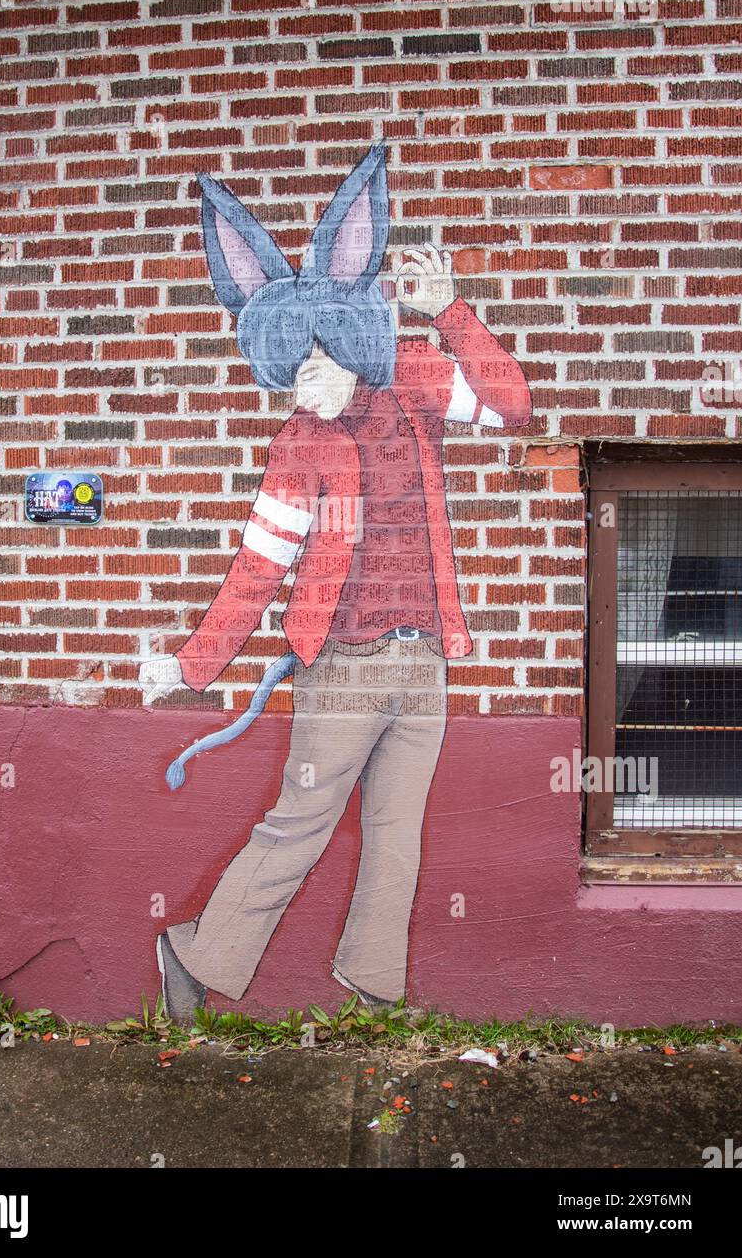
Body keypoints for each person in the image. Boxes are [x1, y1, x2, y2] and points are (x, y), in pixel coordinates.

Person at [140, 145, 532, 1017]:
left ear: (351, 335)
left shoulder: (414, 384)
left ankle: (374, 985)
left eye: (315, 357)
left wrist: (450, 311)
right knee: (300, 823)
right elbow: (257, 568)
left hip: (424, 659)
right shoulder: (298, 445)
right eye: (287, 366)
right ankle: (195, 957)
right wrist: (193, 666)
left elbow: (511, 404)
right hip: (343, 669)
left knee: (397, 836)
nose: (303, 380)